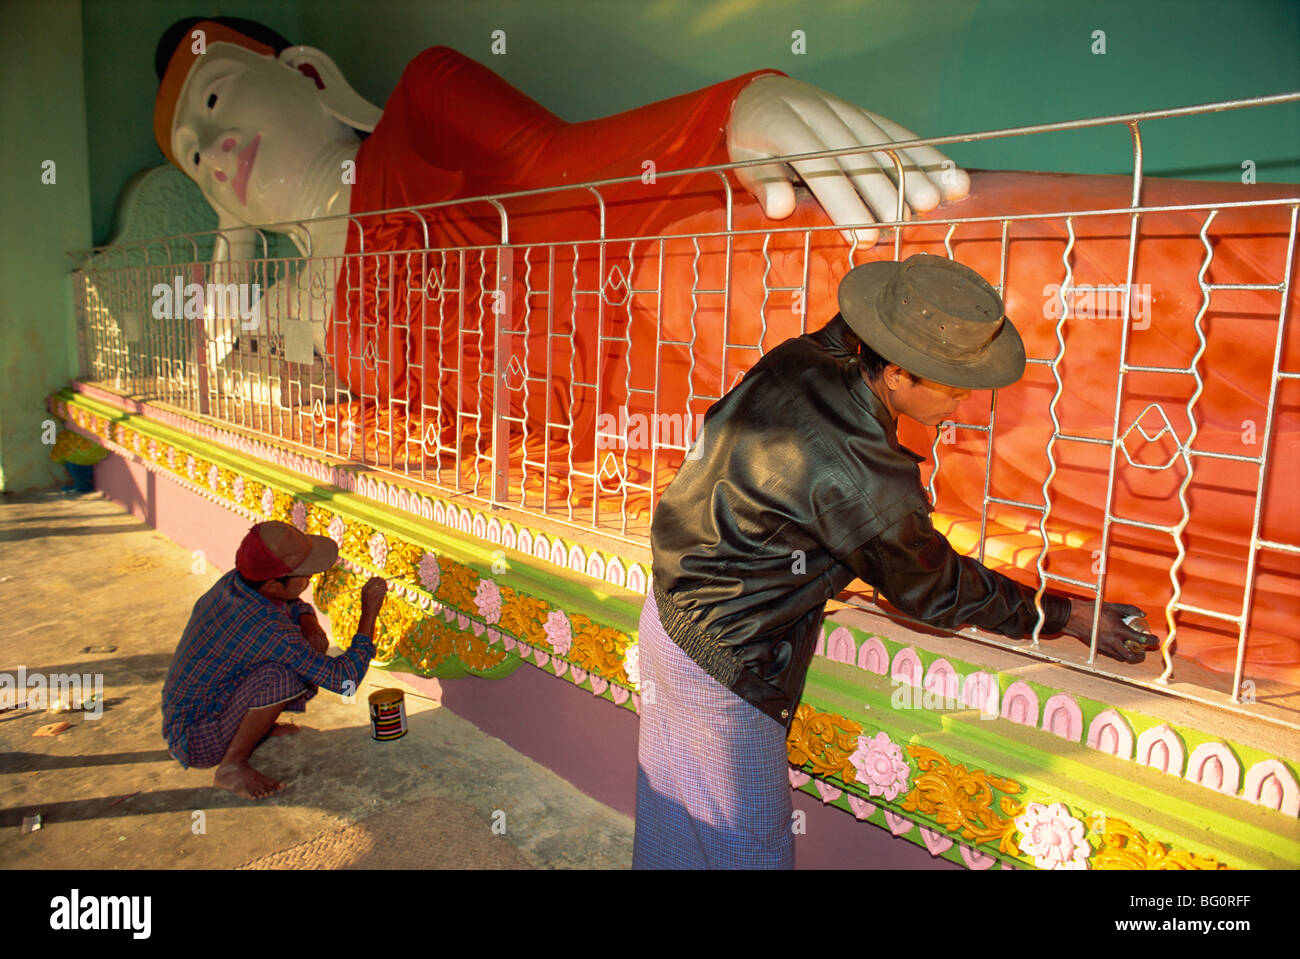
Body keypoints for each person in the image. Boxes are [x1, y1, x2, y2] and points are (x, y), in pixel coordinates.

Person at [633, 253, 1159, 869]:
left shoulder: (806, 356)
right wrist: (1063, 614)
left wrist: (915, 308)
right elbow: (935, 587)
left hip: (669, 617)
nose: (960, 405)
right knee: (746, 850)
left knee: (676, 829)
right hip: (725, 664)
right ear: (898, 373)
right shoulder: (861, 473)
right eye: (951, 385)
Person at [161, 520, 387, 799]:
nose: (310, 579)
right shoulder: (265, 628)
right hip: (195, 738)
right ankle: (230, 767)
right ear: (273, 584)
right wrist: (369, 614)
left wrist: (307, 620)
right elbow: (345, 680)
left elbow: (290, 601)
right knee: (284, 676)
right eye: (303, 576)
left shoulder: (239, 581)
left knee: (295, 657)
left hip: (189, 714)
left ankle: (256, 728)